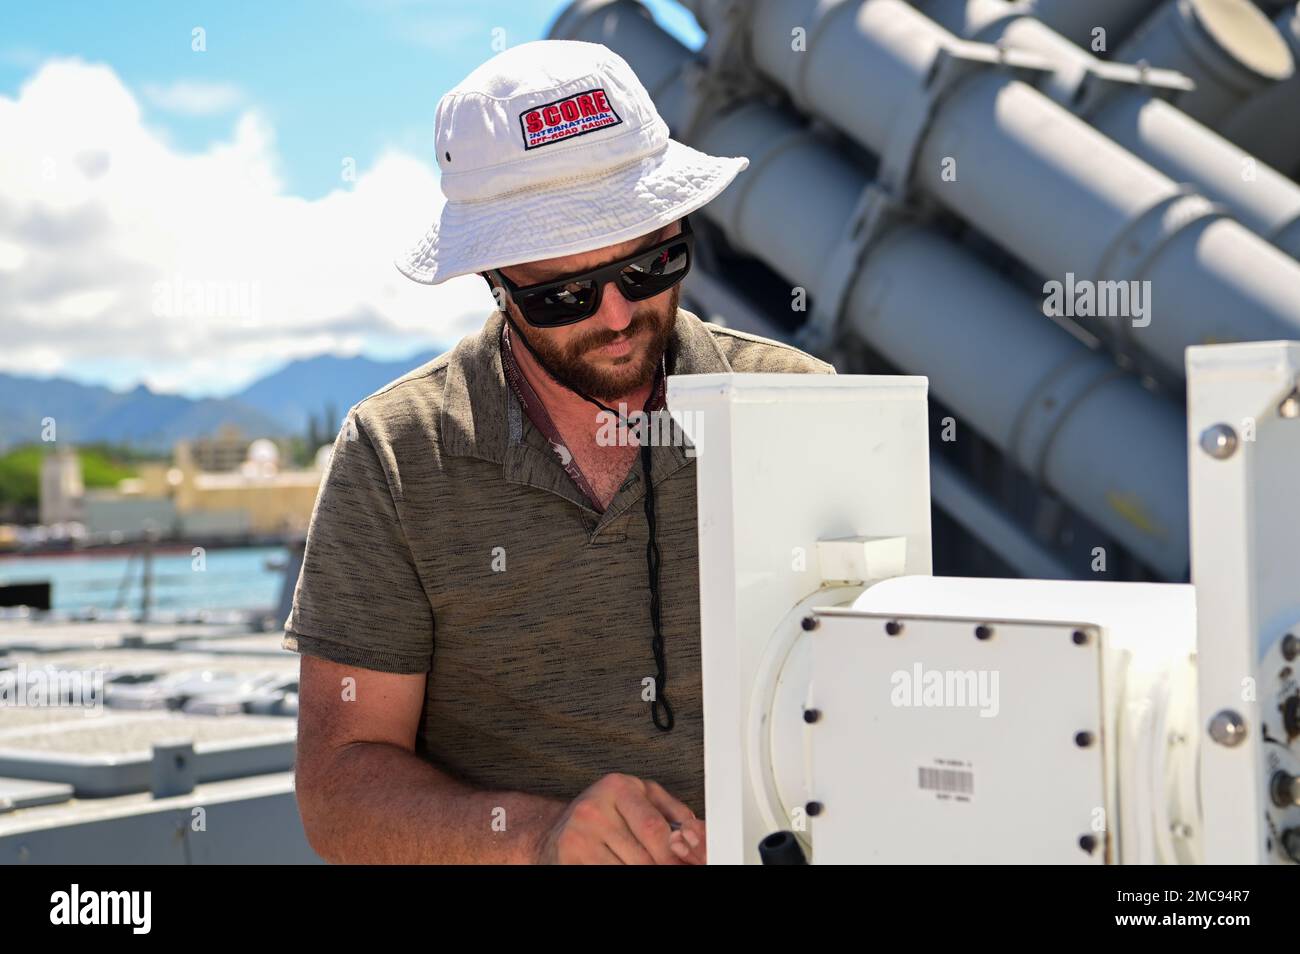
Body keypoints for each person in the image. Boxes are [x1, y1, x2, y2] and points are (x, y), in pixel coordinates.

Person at [285, 38, 834, 865]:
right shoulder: (397, 454)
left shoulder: (802, 405)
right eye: (565, 294)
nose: (617, 315)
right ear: (495, 284)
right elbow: (337, 788)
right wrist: (540, 839)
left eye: (652, 265)